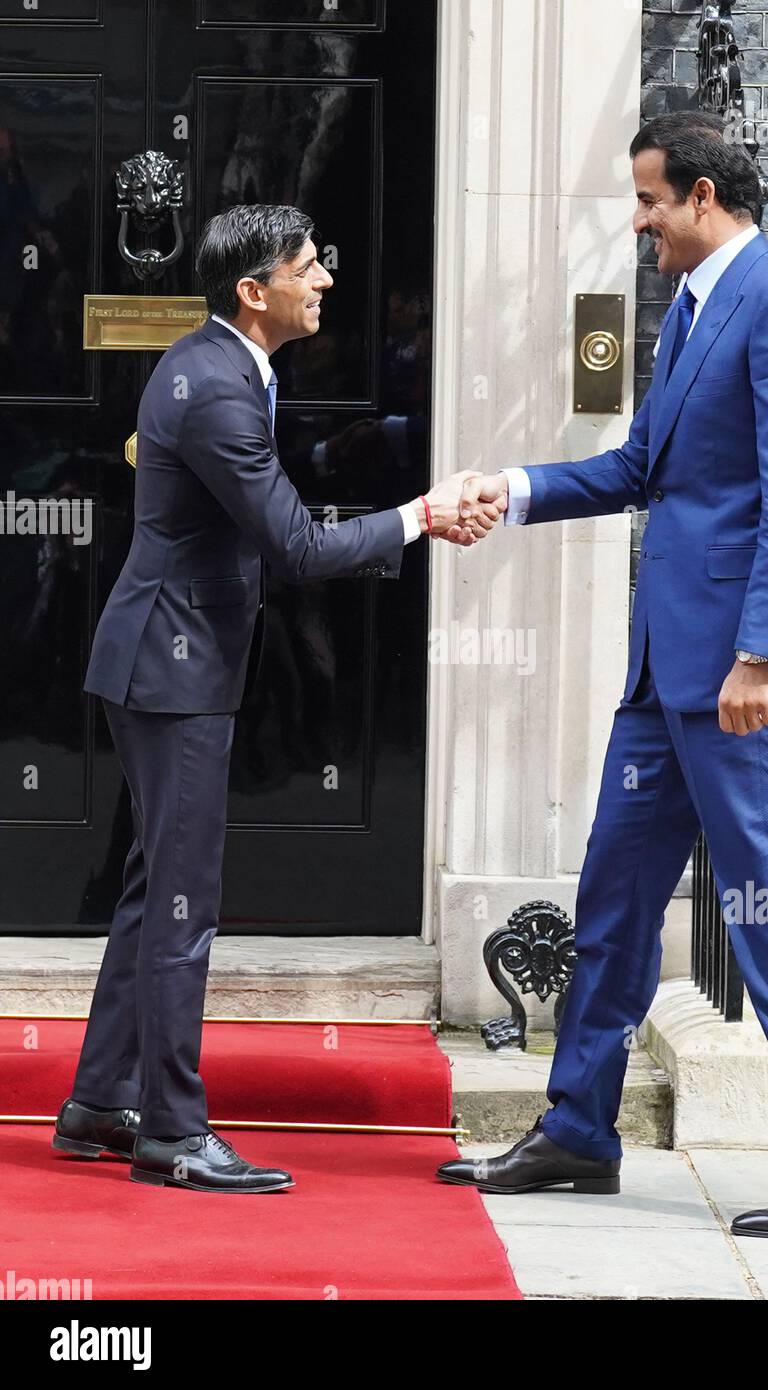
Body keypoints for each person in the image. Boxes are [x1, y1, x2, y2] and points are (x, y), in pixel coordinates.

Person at [436, 113, 768, 1240]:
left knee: (766, 911)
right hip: (666, 671)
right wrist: (510, 484)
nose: (638, 222)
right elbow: (641, 467)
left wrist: (762, 653)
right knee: (611, 898)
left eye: (649, 201)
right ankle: (579, 1129)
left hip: (735, 674)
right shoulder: (690, 313)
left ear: (702, 196)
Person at [53, 204, 504, 1194]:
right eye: (308, 267)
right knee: (183, 903)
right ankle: (171, 1128)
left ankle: (99, 1100)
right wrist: (421, 515)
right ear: (254, 292)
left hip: (160, 664)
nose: (325, 281)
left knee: (149, 889)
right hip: (171, 673)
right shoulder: (217, 385)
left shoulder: (214, 365)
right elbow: (297, 547)